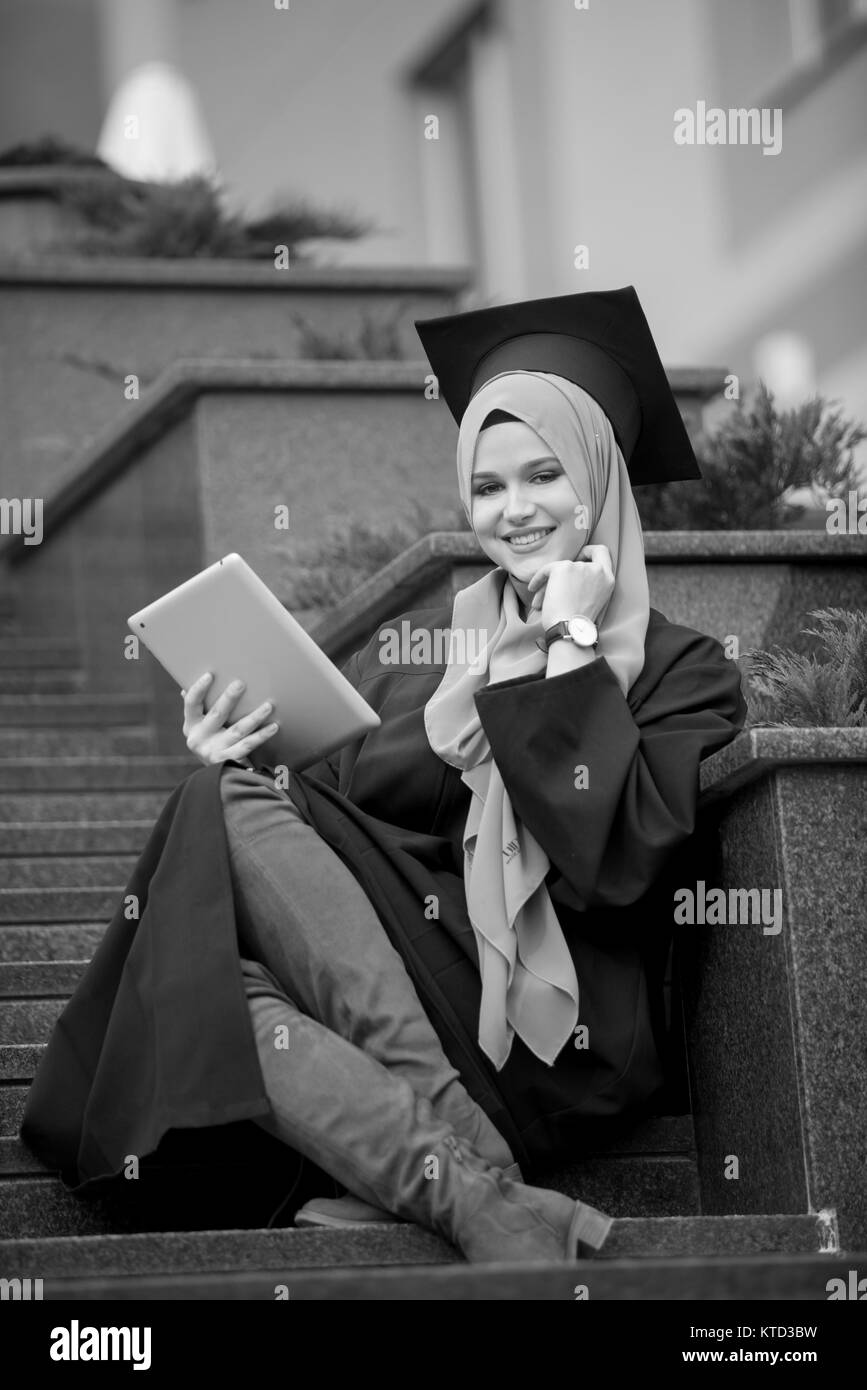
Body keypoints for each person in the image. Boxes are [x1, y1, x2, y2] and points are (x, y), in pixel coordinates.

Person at [21, 286, 747, 1265]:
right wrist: (250, 748)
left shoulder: (684, 672)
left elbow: (610, 866)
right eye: (489, 487)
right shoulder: (430, 664)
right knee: (206, 979)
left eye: (545, 476)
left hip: (562, 1034)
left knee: (215, 830)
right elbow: (341, 848)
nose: (515, 509)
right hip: (416, 977)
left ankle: (458, 1169)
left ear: (601, 488)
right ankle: (464, 1186)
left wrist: (569, 649)